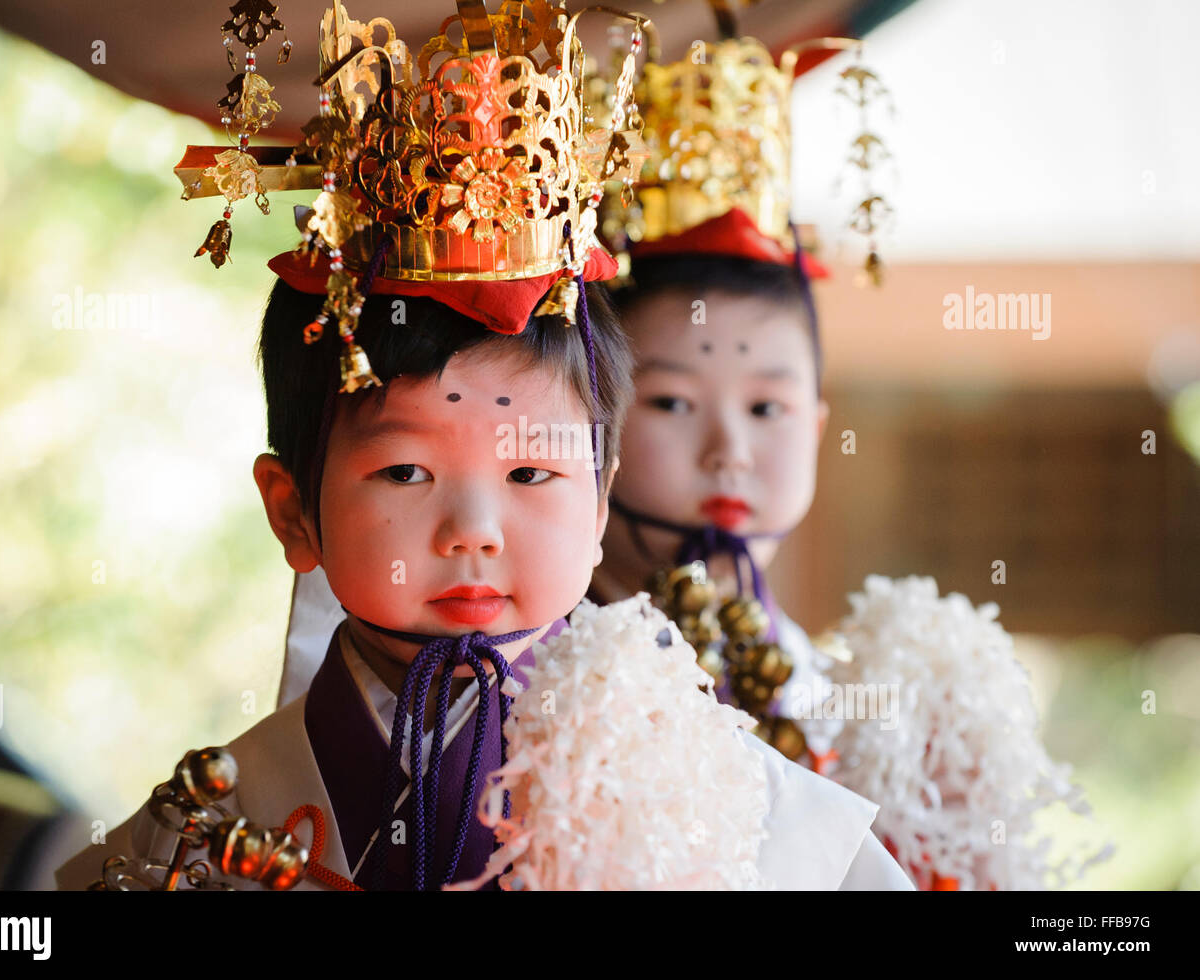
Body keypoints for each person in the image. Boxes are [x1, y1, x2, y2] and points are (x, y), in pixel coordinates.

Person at [55, 0, 911, 891]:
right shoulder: (205, 828)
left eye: (532, 470)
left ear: (599, 496)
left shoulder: (742, 803)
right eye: (405, 470)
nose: (475, 529)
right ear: (292, 509)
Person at [587, 16, 881, 772]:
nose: (731, 455)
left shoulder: (853, 712)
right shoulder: (517, 695)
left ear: (817, 425)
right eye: (673, 403)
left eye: (765, 408)